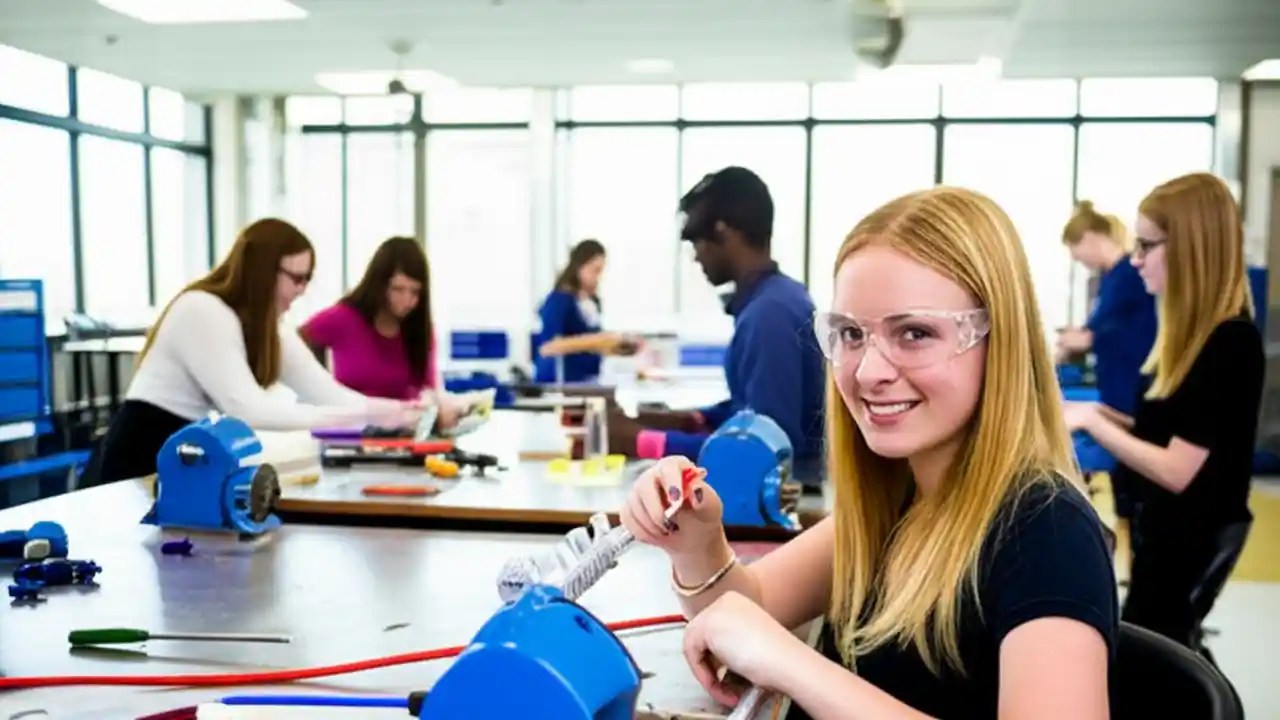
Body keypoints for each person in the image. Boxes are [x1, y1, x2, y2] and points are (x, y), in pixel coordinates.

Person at [621, 187, 1116, 719]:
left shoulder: (1047, 533)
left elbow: (764, 644)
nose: (868, 371)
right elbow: (741, 618)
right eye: (851, 334)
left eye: (916, 333)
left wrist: (791, 663)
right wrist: (696, 543)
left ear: (1001, 341)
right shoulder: (903, 501)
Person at [1065, 172, 1263, 650]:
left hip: (1185, 548)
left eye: (1147, 246)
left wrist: (1092, 421)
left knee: (1155, 660)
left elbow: (1177, 468)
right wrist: (1085, 411)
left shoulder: (1228, 343)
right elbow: (1162, 430)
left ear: (1191, 249)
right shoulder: (1186, 342)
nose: (1135, 260)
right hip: (1161, 540)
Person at [81, 219, 419, 487]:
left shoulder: (268, 325)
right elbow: (247, 408)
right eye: (296, 279)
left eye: (307, 280)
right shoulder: (202, 309)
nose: (301, 291)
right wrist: (351, 420)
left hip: (183, 452)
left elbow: (325, 392)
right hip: (139, 453)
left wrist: (399, 412)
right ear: (262, 271)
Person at [608, 167, 826, 484]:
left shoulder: (770, 315)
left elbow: (767, 449)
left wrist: (644, 442)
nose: (696, 257)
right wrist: (693, 421)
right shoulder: (774, 301)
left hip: (786, 501)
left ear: (723, 232)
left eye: (696, 241)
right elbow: (751, 411)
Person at [300, 237, 464, 426]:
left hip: (403, 437)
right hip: (350, 434)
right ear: (379, 284)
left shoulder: (420, 331)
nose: (406, 300)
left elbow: (428, 388)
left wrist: (443, 410)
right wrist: (321, 391)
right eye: (398, 289)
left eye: (415, 292)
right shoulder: (344, 318)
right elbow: (299, 342)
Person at [1056, 201, 1158, 417]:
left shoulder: (1133, 275)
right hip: (1113, 387)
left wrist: (1090, 340)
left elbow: (1144, 334)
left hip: (1131, 391)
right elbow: (1103, 323)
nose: (1077, 259)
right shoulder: (1109, 278)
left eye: (1076, 252)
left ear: (1090, 238)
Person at [533, 239, 639, 384]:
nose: (598, 277)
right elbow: (550, 346)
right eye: (595, 270)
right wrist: (599, 340)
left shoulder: (590, 302)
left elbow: (591, 345)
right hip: (562, 381)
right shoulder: (559, 300)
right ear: (579, 266)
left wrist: (616, 345)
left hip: (589, 378)